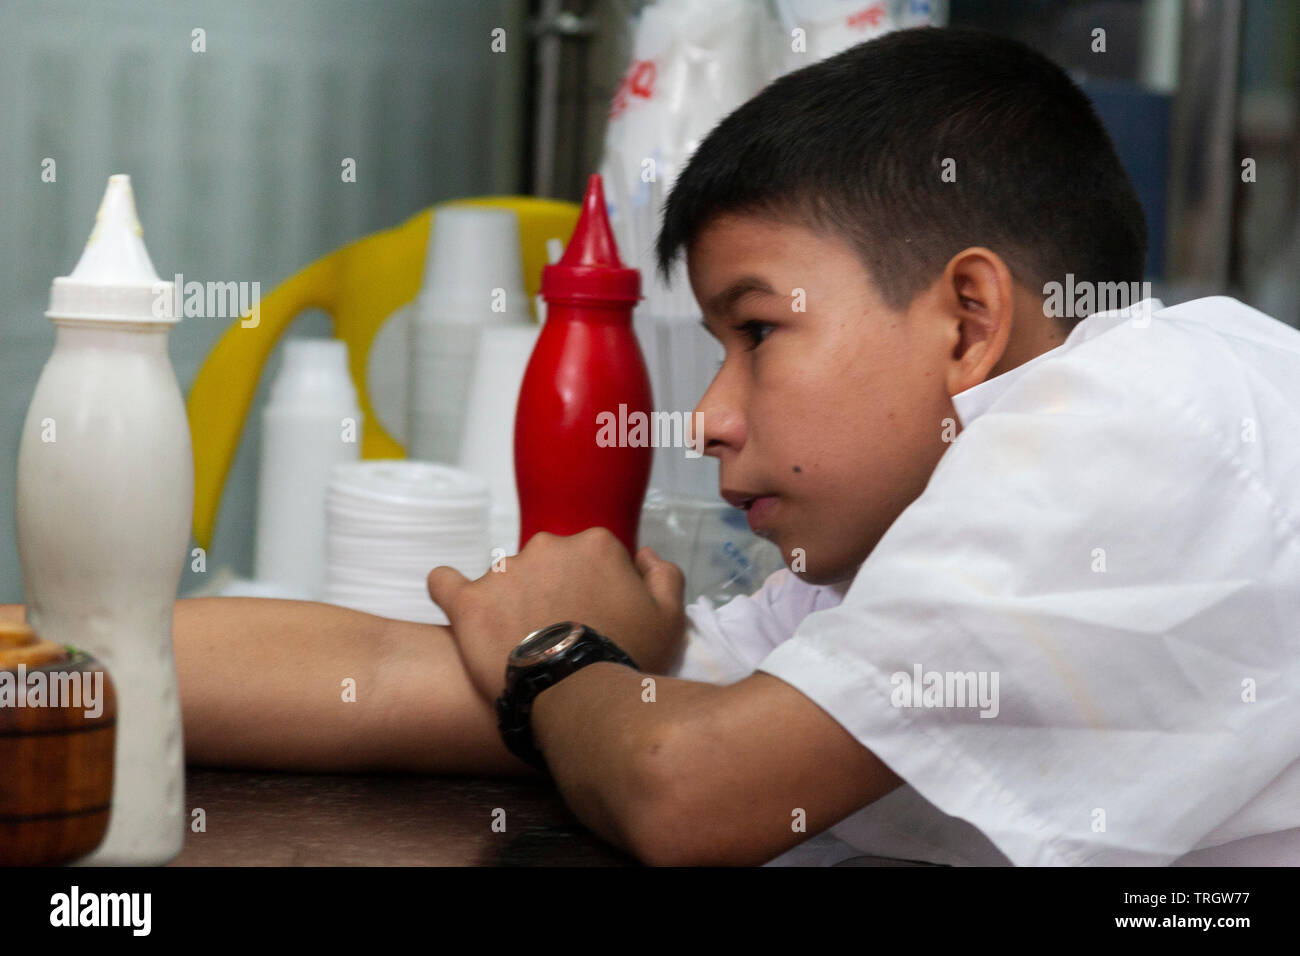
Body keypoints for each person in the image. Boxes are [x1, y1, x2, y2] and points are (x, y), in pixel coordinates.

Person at [6, 26, 1300, 866]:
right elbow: (410, 684)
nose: (708, 416)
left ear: (969, 317)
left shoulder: (1134, 412)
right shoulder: (882, 577)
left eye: (757, 332)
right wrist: (36, 660)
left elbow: (685, 785)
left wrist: (555, 651)